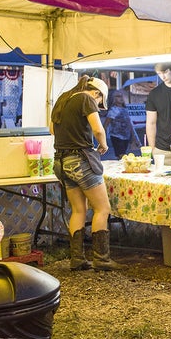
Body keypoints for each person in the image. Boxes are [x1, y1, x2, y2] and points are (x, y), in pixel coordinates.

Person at [51, 75, 121, 271]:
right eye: (100, 102)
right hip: (81, 160)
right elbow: (98, 129)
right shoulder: (86, 99)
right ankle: (102, 259)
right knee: (102, 208)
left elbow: (52, 130)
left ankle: (78, 259)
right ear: (97, 94)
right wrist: (103, 145)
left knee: (79, 210)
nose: (98, 105)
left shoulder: (64, 98)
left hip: (61, 161)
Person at [145, 62, 171, 158]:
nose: (162, 76)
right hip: (162, 149)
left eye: (165, 72)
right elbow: (151, 123)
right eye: (159, 73)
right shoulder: (154, 94)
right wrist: (152, 149)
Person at [103, 91, 136, 158]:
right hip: (116, 136)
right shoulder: (113, 110)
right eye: (118, 96)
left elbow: (129, 123)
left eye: (121, 96)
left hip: (126, 136)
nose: (120, 98)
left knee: (124, 154)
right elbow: (106, 124)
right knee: (121, 155)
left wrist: (133, 136)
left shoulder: (125, 109)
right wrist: (103, 139)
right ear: (114, 98)